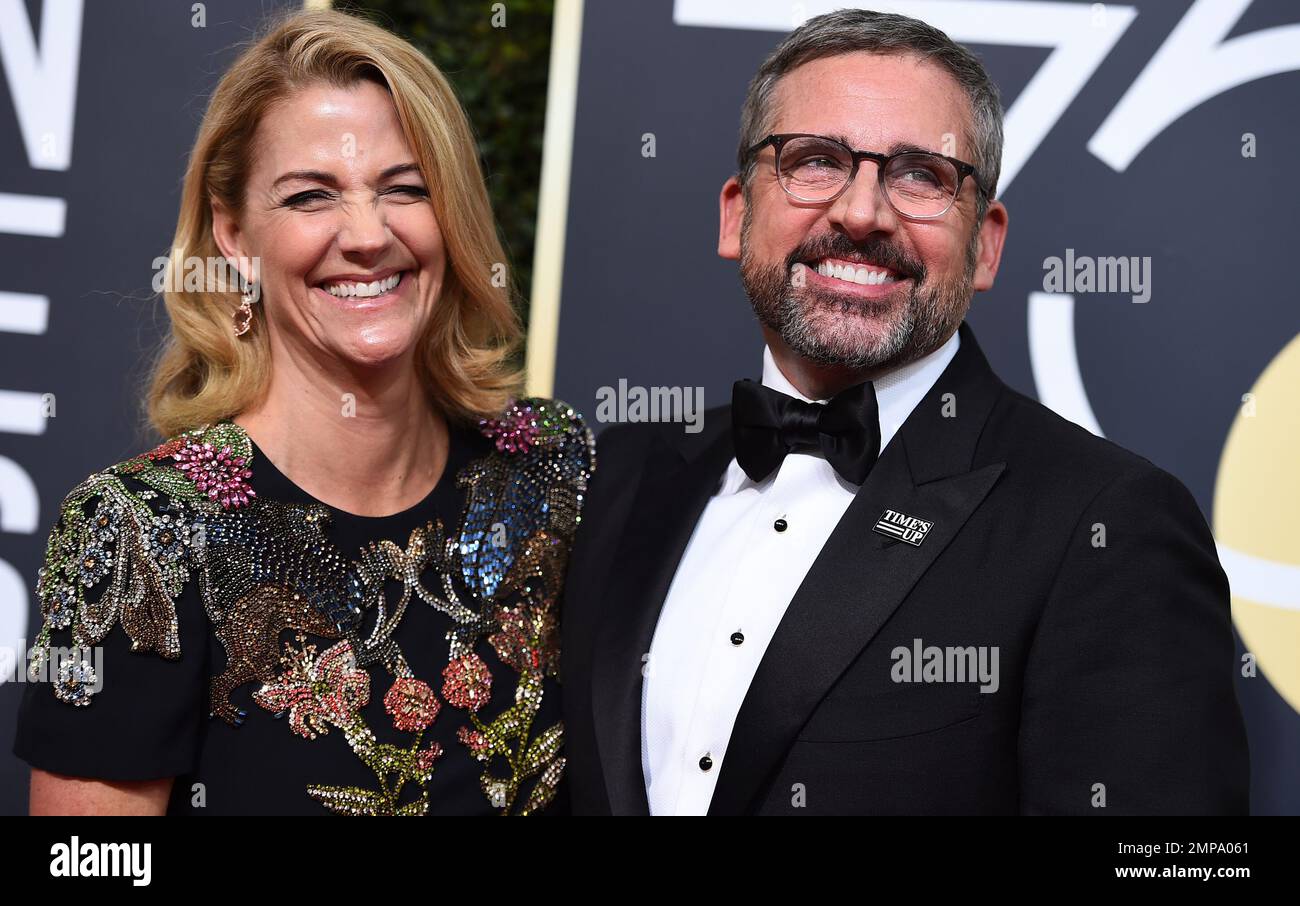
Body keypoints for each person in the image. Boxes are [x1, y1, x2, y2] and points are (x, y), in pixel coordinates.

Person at [561, 8, 1248, 815]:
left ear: (986, 245)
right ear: (736, 213)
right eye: (814, 161)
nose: (861, 213)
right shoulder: (623, 473)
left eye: (921, 175)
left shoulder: (1106, 524)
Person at [14, 8, 591, 816]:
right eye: (311, 196)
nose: (366, 235)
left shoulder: (555, 473)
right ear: (233, 234)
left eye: (405, 189)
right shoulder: (141, 534)